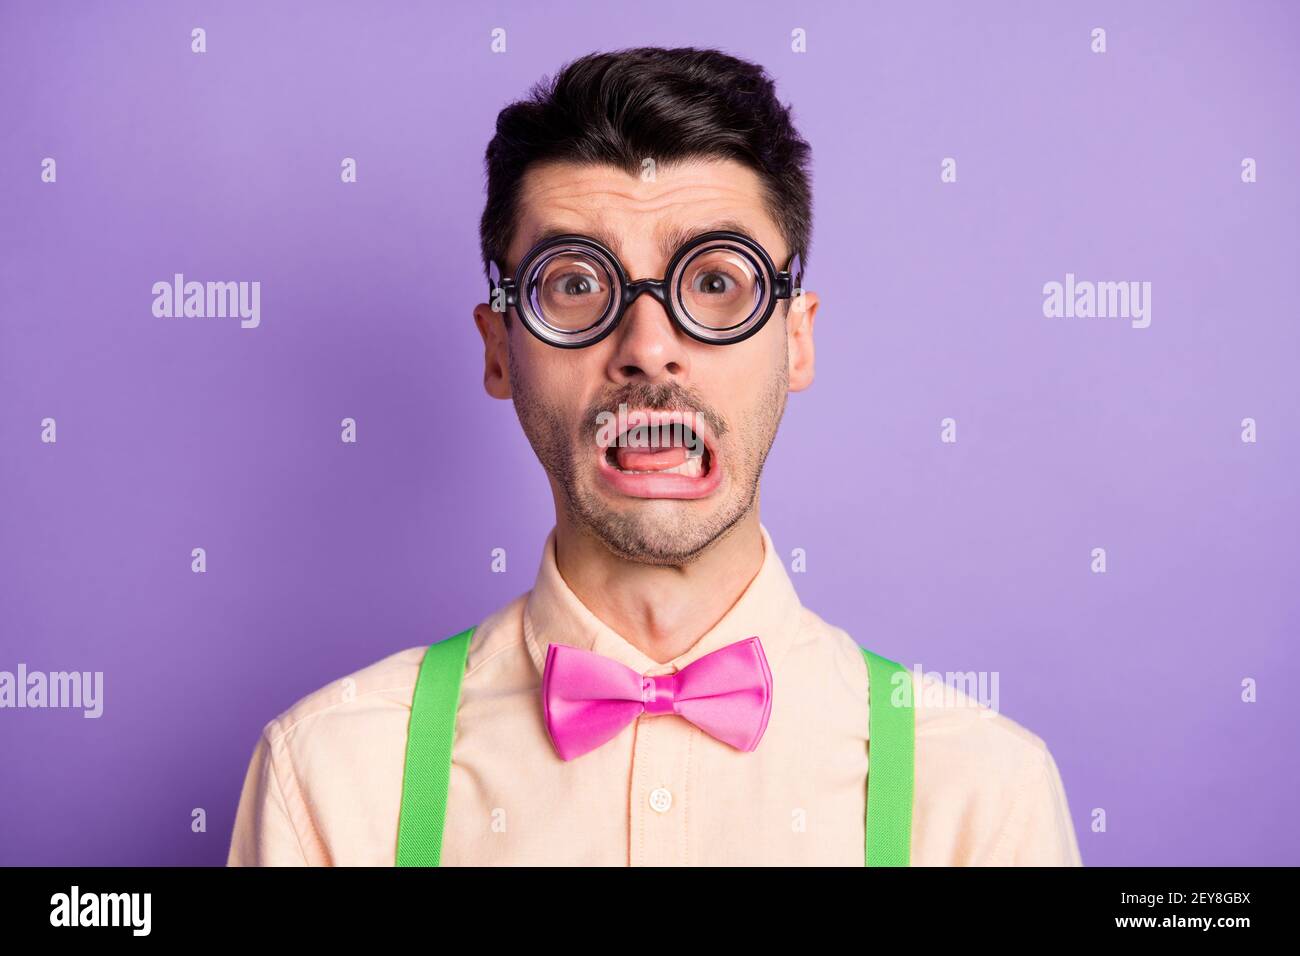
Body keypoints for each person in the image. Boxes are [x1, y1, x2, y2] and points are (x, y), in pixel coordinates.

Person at [227, 46, 1082, 866]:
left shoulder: (980, 790)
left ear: (796, 340)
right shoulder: (334, 775)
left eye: (714, 282)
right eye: (574, 283)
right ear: (499, 348)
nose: (648, 346)